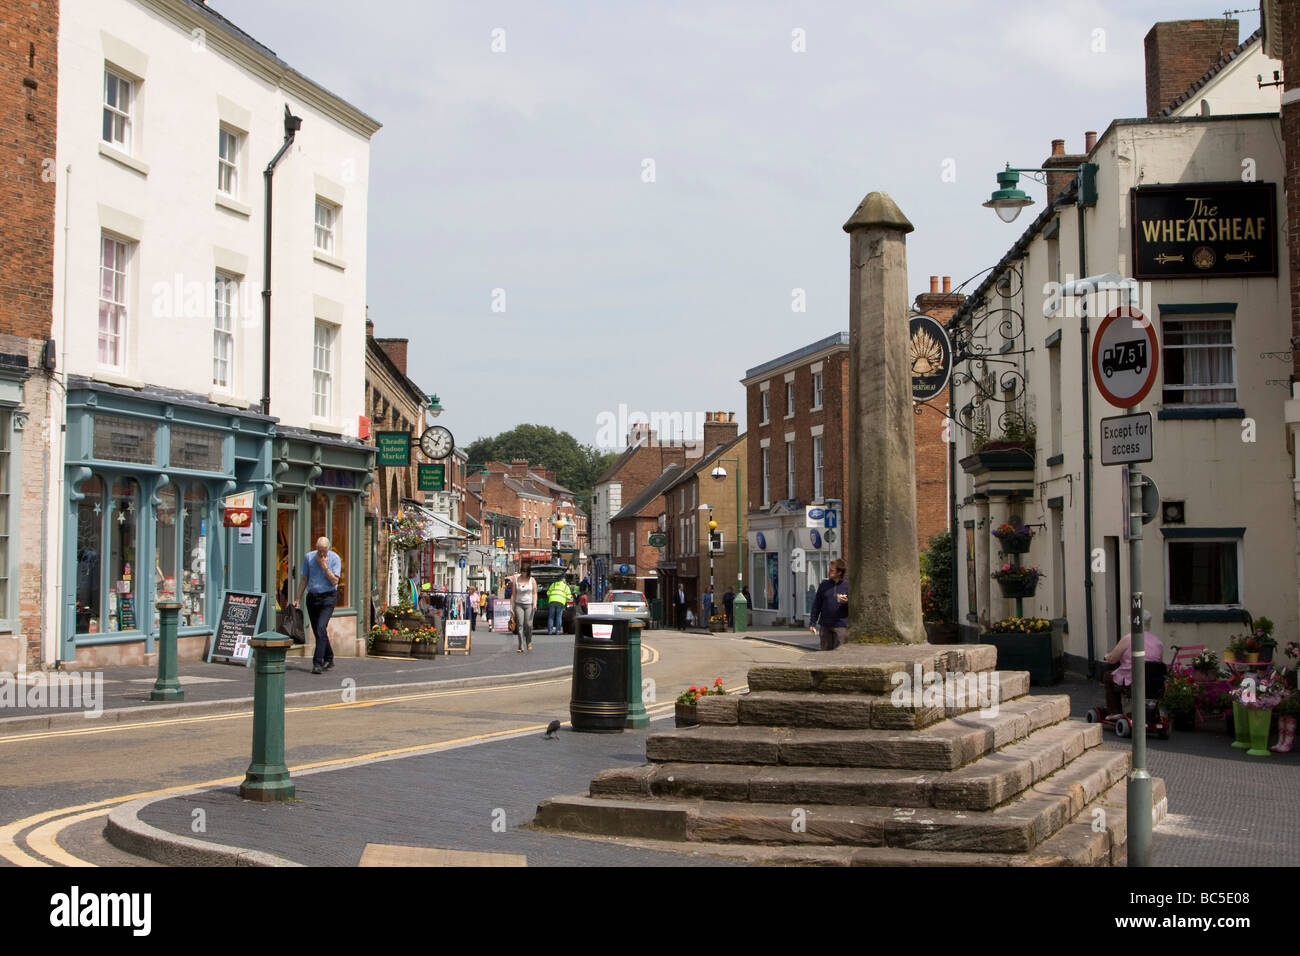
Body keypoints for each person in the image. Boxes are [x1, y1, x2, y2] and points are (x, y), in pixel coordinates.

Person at [292, 536, 342, 674]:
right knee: (318, 631)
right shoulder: (309, 558)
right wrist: (297, 598)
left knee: (321, 628)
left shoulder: (335, 558)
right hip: (312, 597)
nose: (321, 554)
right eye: (319, 550)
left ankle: (317, 663)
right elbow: (304, 579)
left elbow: (334, 581)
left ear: (328, 548)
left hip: (328, 597)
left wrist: (324, 566)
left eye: (324, 551)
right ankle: (329, 657)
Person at [1103, 610, 1163, 715]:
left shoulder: (1129, 638)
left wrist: (1107, 656)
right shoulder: (1158, 642)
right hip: (1153, 683)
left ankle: (1115, 712)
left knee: (1108, 677)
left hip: (1133, 681)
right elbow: (1159, 662)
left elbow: (1113, 659)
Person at [808, 559, 849, 651]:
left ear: (839, 572)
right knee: (825, 654)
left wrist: (846, 602)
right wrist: (812, 623)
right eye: (829, 569)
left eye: (832, 570)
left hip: (840, 626)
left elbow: (854, 608)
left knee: (840, 654)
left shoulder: (847, 586)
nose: (829, 572)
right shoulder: (824, 585)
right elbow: (817, 605)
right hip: (825, 626)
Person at [512, 563, 536, 652]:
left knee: (528, 625)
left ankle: (529, 642)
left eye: (525, 572)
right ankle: (520, 645)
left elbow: (534, 593)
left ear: (528, 572)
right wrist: (512, 607)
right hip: (519, 604)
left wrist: (535, 604)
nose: (523, 573)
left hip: (529, 604)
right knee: (520, 625)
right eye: (522, 571)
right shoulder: (516, 579)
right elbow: (513, 594)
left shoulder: (532, 580)